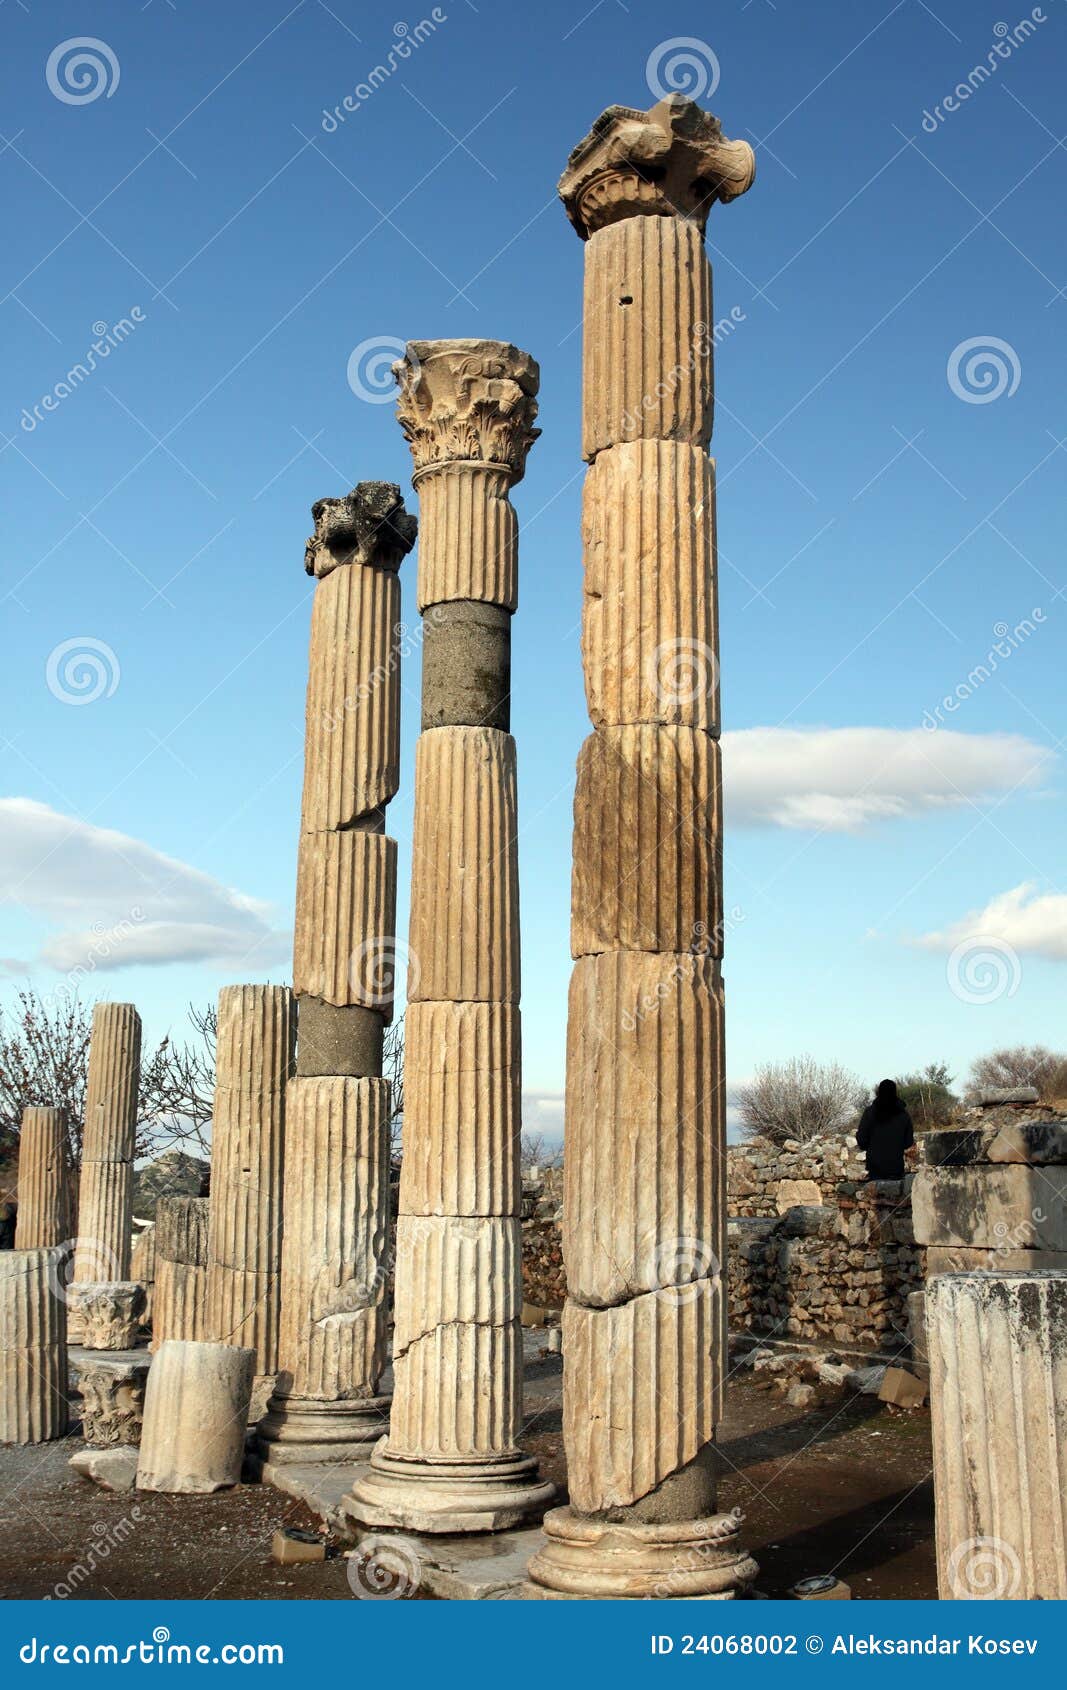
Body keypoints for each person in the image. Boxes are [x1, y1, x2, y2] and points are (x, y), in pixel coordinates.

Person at [856, 1079, 914, 1179]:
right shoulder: (903, 1114)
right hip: (896, 1167)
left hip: (875, 1168)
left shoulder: (869, 1113)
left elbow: (862, 1139)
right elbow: (908, 1141)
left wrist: (871, 1148)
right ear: (895, 1092)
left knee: (876, 1193)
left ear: (878, 1092)